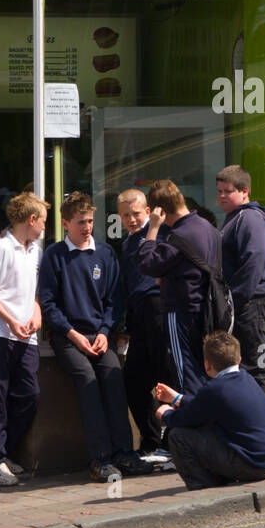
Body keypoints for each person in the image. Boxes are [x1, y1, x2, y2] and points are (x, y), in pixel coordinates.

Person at [39, 191, 153, 481]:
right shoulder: (55, 255)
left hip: (99, 335)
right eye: (80, 222)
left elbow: (114, 300)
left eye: (90, 221)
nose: (87, 227)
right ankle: (100, 459)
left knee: (114, 379)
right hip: (68, 336)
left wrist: (105, 331)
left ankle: (124, 453)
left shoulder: (105, 253)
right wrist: (72, 334)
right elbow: (49, 303)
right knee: (87, 382)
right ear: (65, 223)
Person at [154, 332, 265, 491]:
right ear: (239, 360)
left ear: (207, 364)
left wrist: (165, 414)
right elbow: (206, 406)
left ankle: (204, 486)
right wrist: (177, 398)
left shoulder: (214, 389)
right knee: (212, 426)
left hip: (255, 466)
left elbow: (185, 418)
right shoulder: (246, 378)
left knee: (178, 436)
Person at [0, 191, 46, 486]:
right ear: (30, 220)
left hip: (25, 336)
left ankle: (3, 454)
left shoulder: (35, 251)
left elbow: (32, 293)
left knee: (29, 394)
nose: (44, 227)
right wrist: (11, 321)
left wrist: (36, 314)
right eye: (42, 221)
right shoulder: (1, 248)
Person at [136, 179, 222, 398]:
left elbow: (147, 263)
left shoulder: (179, 235)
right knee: (206, 370)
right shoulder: (207, 227)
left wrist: (153, 228)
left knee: (186, 371)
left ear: (160, 210)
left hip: (182, 311)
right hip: (207, 309)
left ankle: (191, 426)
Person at [116, 188, 169, 458]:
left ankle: (171, 443)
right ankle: (151, 441)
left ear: (148, 212)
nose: (131, 219)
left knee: (166, 380)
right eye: (125, 215)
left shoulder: (161, 233)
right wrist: (126, 328)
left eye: (136, 214)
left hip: (159, 310)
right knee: (134, 382)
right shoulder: (126, 244)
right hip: (139, 318)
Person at [215, 165, 265, 399]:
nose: (221, 196)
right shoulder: (232, 218)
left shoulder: (250, 217)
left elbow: (254, 260)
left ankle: (263, 426)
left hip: (253, 302)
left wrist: (236, 300)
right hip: (243, 301)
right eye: (219, 191)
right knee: (245, 365)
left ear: (244, 191)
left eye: (227, 191)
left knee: (257, 365)